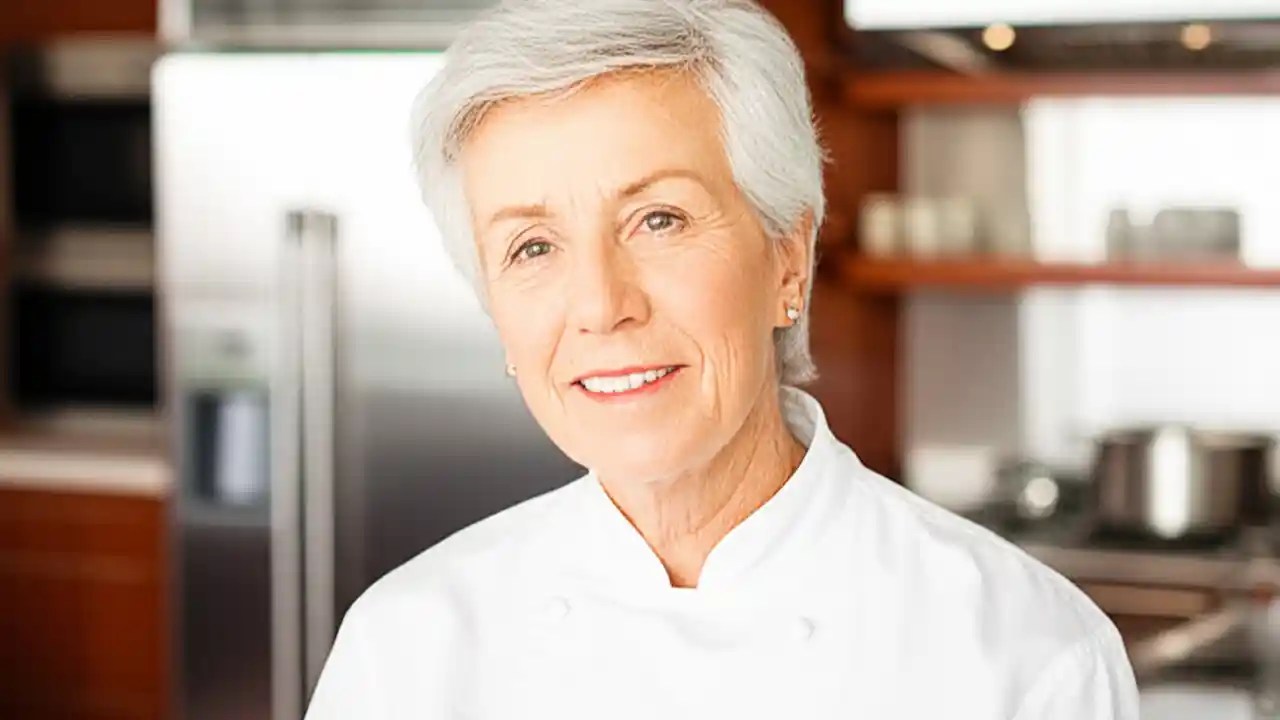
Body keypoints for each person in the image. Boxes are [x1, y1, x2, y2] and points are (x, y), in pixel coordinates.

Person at [305, 1, 1139, 717]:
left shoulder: (1026, 657)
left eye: (658, 219)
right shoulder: (406, 651)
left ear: (788, 257)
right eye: (532, 247)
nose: (601, 305)